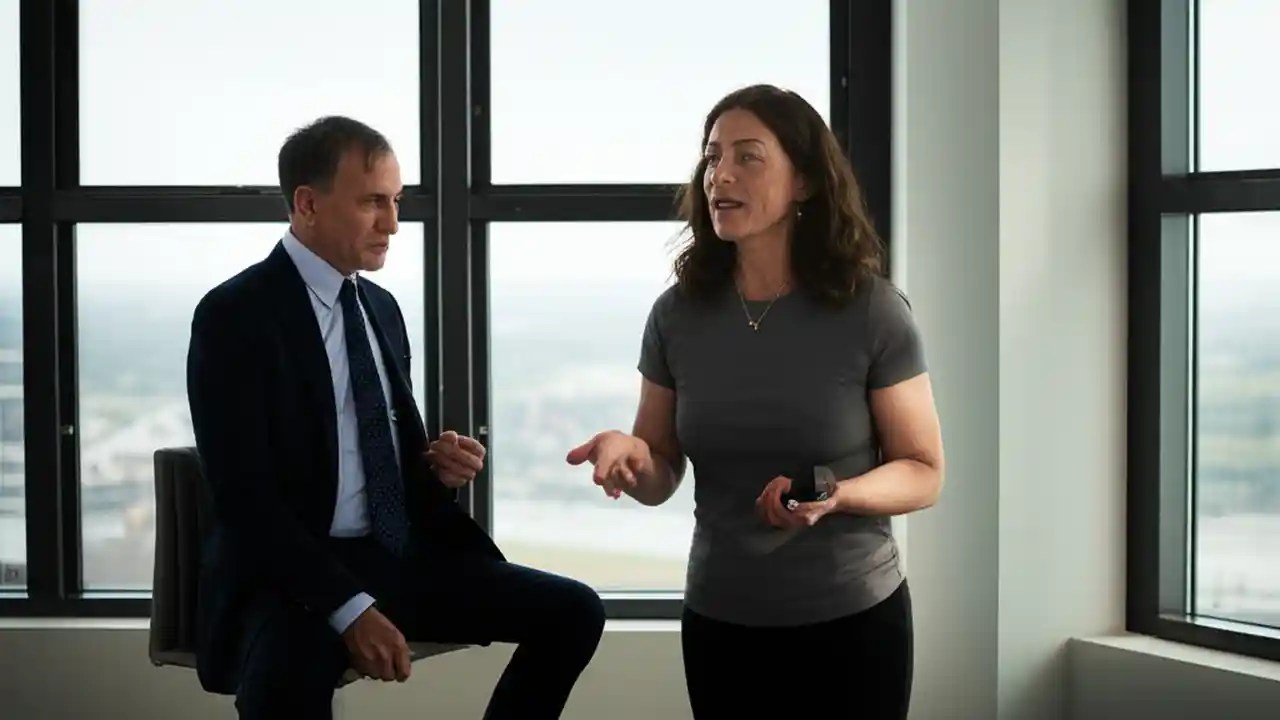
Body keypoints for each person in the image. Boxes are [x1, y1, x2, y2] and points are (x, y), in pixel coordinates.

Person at [186, 115, 604, 719]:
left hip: (398, 557)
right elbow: (245, 499)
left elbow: (367, 456)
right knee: (281, 691)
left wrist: (434, 466)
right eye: (372, 202)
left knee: (575, 611)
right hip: (291, 574)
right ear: (307, 203)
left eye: (397, 201)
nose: (393, 223)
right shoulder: (235, 315)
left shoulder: (379, 307)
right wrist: (349, 608)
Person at [566, 85, 944, 719]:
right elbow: (659, 473)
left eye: (748, 156)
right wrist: (631, 457)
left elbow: (924, 470)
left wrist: (837, 496)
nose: (722, 175)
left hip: (851, 625)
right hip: (721, 623)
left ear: (803, 183)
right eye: (713, 157)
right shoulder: (676, 315)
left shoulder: (872, 310)